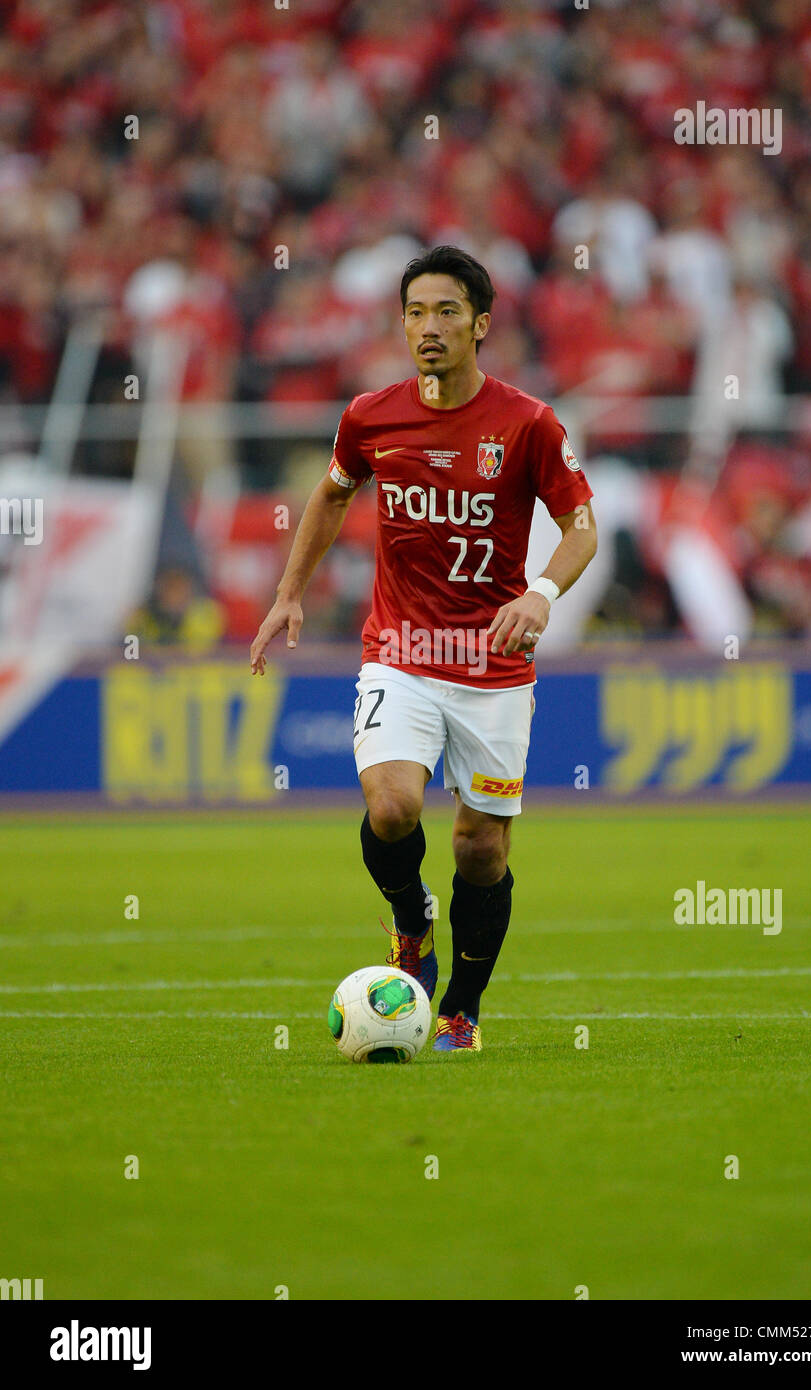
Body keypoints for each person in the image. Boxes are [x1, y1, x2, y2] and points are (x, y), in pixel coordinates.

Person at [250, 246, 597, 1051]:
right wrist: (289, 591)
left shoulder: (528, 423)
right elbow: (332, 492)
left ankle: (462, 1006)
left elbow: (581, 524)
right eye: (414, 312)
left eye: (445, 312)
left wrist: (539, 593)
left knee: (481, 847)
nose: (427, 328)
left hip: (494, 668)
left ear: (481, 324)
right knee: (393, 805)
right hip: (400, 650)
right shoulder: (372, 416)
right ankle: (413, 923)